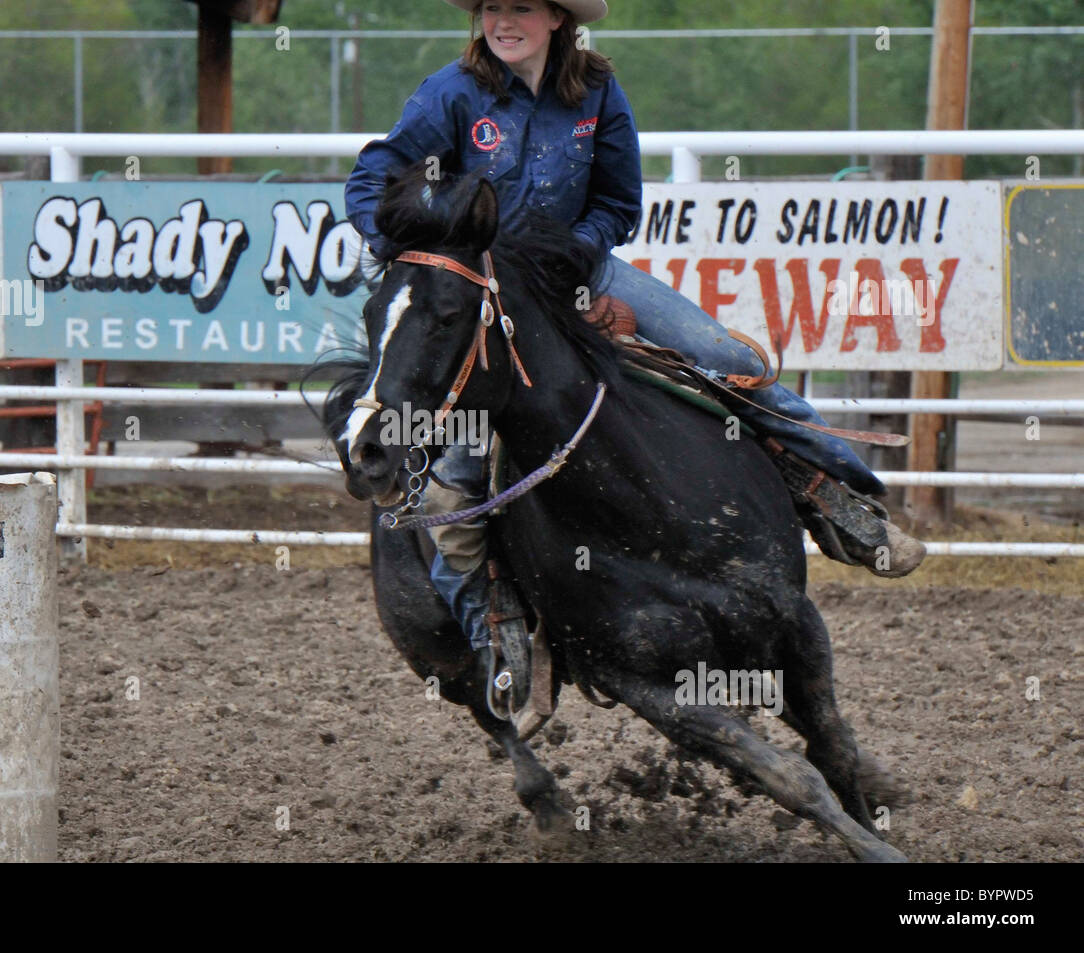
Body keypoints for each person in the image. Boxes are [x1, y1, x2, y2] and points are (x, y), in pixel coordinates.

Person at [344, 0, 925, 706]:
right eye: (493, 7)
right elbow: (370, 177)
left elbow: (618, 202)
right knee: (457, 482)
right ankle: (499, 631)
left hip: (582, 276)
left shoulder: (595, 92)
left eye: (521, 7)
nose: (504, 21)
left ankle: (837, 495)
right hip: (487, 307)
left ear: (557, 19)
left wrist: (578, 257)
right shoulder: (450, 96)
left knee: (725, 356)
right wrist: (418, 262)